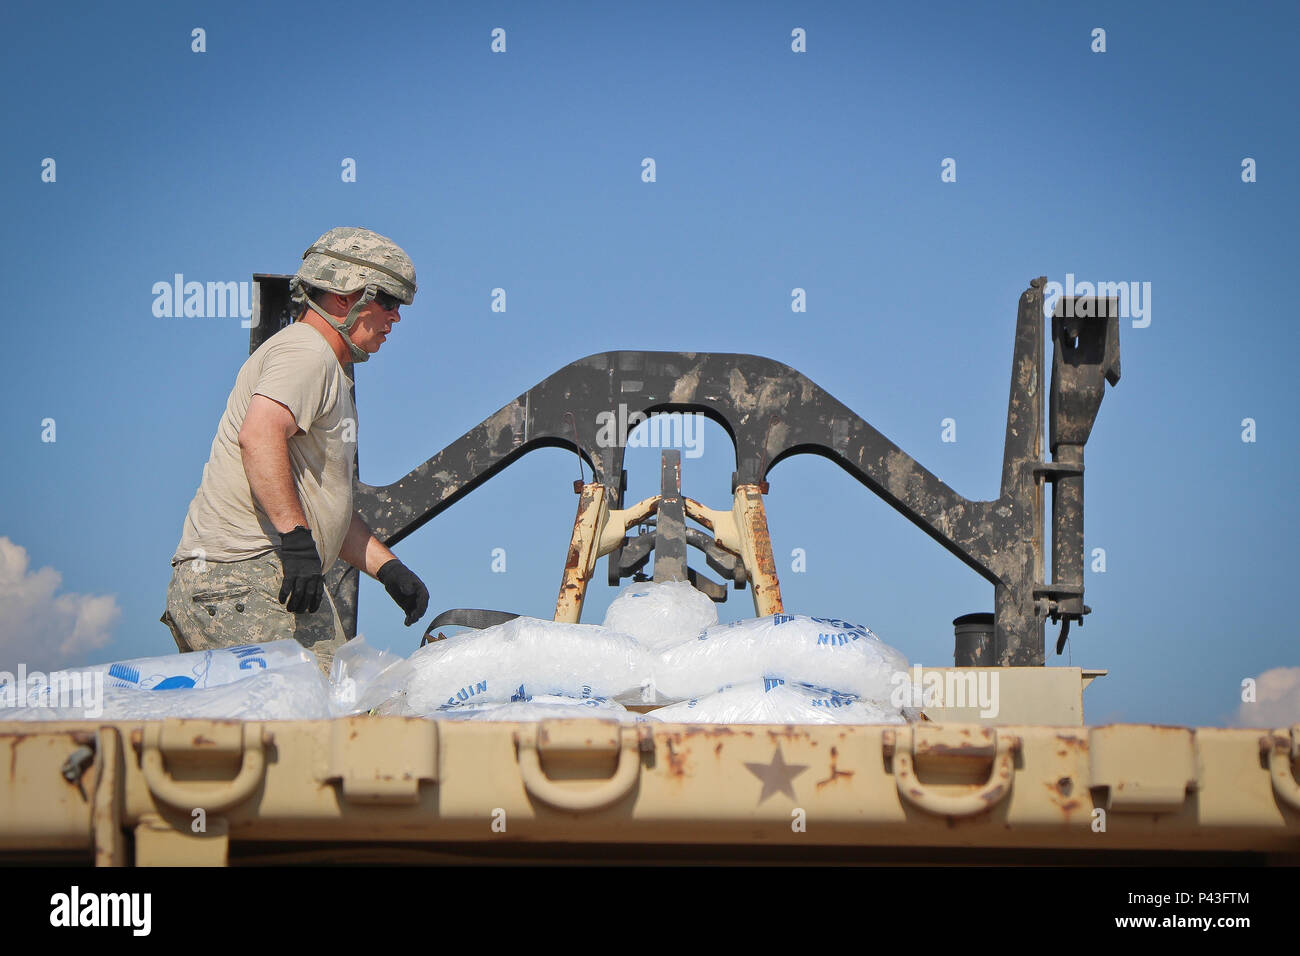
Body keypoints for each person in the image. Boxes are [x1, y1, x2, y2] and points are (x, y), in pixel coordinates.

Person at [160, 227, 430, 674]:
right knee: (299, 729)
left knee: (344, 714)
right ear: (346, 296)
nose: (395, 318)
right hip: (240, 578)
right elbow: (260, 433)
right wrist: (296, 539)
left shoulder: (328, 368)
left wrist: (389, 570)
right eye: (388, 302)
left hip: (279, 575)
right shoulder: (306, 350)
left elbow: (319, 510)